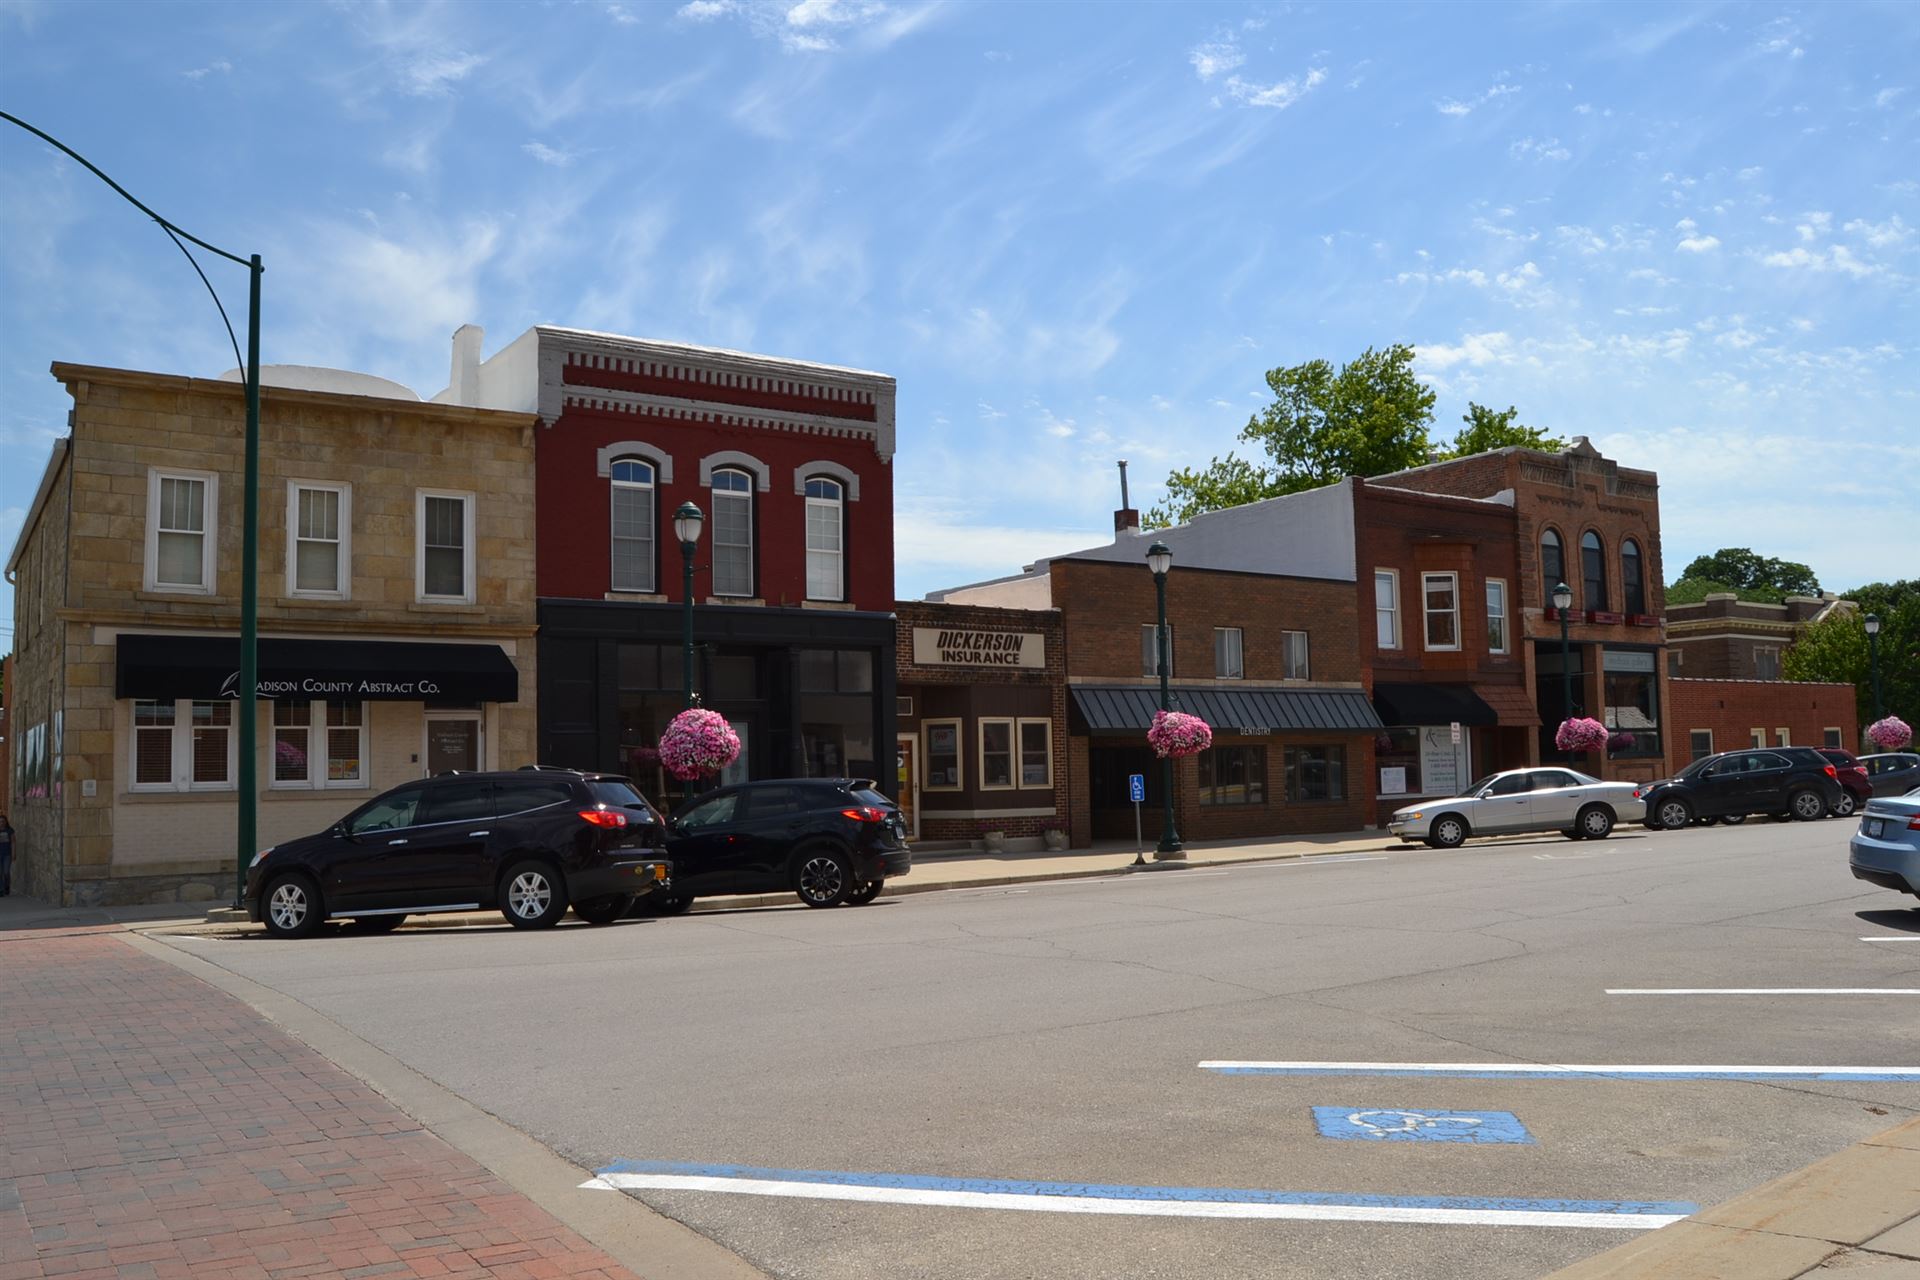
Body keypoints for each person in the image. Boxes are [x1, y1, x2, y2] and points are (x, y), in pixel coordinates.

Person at [0, 813, 12, 896]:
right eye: (0, 821)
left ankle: (7, 886)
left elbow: (14, 842)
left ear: (6, 822)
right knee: (0, 873)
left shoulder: (9, 830)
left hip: (7, 854)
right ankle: (1, 890)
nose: (1, 823)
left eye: (3, 821)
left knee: (6, 872)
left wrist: (14, 852)